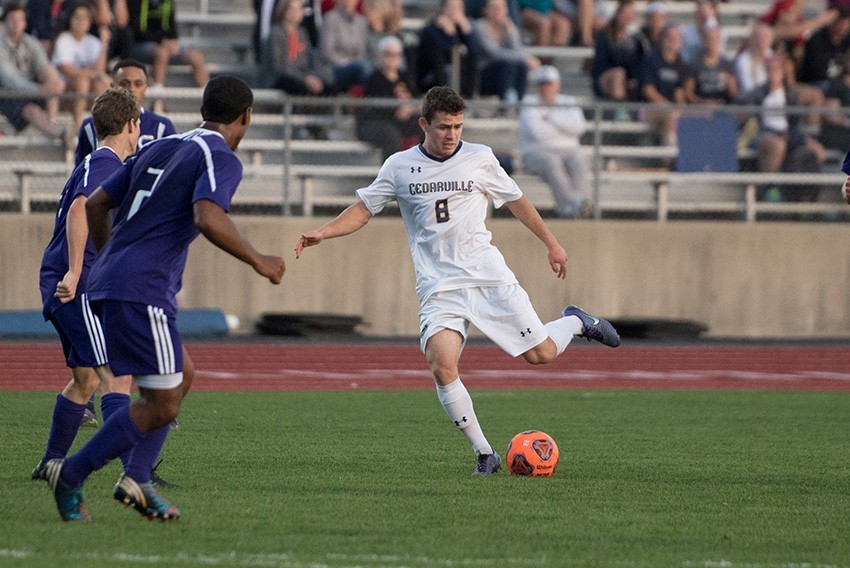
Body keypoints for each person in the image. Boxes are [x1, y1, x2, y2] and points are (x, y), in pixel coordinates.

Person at [294, 86, 620, 476]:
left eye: (458, 126)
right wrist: (323, 233)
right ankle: (485, 453)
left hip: (487, 276)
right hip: (438, 287)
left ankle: (577, 321)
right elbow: (364, 209)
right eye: (444, 127)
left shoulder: (480, 158)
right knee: (441, 362)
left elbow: (517, 201)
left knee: (542, 355)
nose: (452, 134)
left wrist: (552, 243)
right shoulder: (399, 166)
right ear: (423, 125)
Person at [40, 76, 286, 522]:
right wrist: (258, 260)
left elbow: (96, 205)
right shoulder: (219, 155)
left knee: (181, 375)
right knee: (161, 402)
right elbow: (208, 216)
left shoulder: (159, 146)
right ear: (246, 116)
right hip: (143, 287)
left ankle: (137, 478)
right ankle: (72, 473)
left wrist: (110, 256)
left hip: (118, 282)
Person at [32, 88, 177, 491]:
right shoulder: (106, 162)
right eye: (138, 128)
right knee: (117, 377)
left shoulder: (93, 160)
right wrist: (78, 271)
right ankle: (135, 473)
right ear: (132, 125)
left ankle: (51, 462)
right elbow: (81, 207)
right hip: (74, 285)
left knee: (86, 379)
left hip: (61, 279)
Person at [739, 53, 826, 202]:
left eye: (776, 69)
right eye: (770, 69)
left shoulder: (790, 93)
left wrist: (804, 139)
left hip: (789, 135)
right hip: (765, 135)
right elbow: (743, 113)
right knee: (778, 145)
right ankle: (769, 188)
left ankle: (809, 195)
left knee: (818, 152)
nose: (773, 72)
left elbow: (794, 122)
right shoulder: (758, 93)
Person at [519, 65, 590, 218]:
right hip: (536, 153)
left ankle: (579, 203)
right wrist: (565, 130)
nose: (545, 87)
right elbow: (536, 133)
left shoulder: (568, 101)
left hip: (568, 151)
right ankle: (568, 207)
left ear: (557, 84)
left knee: (579, 160)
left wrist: (551, 119)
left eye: (549, 83)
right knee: (552, 162)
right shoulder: (529, 102)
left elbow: (579, 128)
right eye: (542, 83)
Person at [75, 59, 176, 166]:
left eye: (138, 84)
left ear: (145, 88)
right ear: (113, 86)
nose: (131, 89)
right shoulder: (91, 125)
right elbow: (82, 169)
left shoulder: (162, 126)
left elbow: (172, 168)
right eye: (124, 83)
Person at [0, 0, 66, 141]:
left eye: (20, 19)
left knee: (51, 73)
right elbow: (9, 80)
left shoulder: (31, 42)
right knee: (30, 109)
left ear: (25, 22)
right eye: (12, 19)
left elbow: (43, 66)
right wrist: (38, 89)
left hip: (32, 88)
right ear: (5, 22)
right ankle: (59, 134)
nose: (16, 23)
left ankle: (53, 120)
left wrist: (52, 84)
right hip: (7, 94)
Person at [355, 35, 420, 160]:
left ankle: (425, 170)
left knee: (426, 126)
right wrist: (396, 111)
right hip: (375, 123)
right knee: (391, 135)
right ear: (380, 56)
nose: (393, 58)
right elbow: (374, 108)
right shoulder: (373, 79)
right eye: (389, 54)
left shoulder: (404, 77)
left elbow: (416, 97)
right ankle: (389, 176)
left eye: (397, 54)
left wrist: (410, 109)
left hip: (402, 120)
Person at [125, 0, 209, 90]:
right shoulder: (134, 2)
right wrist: (162, 41)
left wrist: (173, 41)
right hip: (139, 45)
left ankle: (207, 96)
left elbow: (172, 28)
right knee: (161, 54)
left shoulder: (168, 2)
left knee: (196, 57)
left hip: (163, 45)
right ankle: (158, 96)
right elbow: (134, 30)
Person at [51, 2, 109, 130]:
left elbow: (100, 70)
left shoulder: (93, 42)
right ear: (70, 19)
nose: (80, 21)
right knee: (82, 82)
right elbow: (67, 70)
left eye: (84, 18)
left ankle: (100, 126)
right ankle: (78, 127)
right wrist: (94, 74)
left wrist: (104, 44)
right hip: (64, 93)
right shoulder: (63, 39)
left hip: (86, 93)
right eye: (76, 17)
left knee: (100, 84)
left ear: (89, 22)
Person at [262, 0, 335, 95]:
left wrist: (314, 77)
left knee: (329, 85)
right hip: (281, 78)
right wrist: (305, 78)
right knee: (301, 87)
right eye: (292, 9)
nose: (296, 12)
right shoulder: (276, 33)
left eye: (299, 9)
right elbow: (280, 67)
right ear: (283, 11)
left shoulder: (302, 34)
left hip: (302, 75)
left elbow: (311, 61)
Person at [473, 0, 540, 102]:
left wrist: (511, 32)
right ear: (485, 10)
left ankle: (519, 103)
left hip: (507, 72)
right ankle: (505, 104)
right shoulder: (480, 26)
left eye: (501, 7)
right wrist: (525, 57)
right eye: (494, 7)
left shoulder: (508, 26)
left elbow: (517, 48)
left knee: (521, 66)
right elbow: (494, 53)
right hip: (485, 74)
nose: (498, 10)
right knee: (509, 64)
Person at [414, 0, 478, 98]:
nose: (455, 11)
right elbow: (447, 52)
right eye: (452, 7)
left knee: (470, 62)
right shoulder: (431, 29)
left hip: (458, 73)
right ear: (443, 8)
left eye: (459, 7)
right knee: (440, 60)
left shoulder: (461, 29)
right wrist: (451, 36)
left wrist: (467, 31)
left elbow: (474, 52)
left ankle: (468, 98)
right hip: (433, 75)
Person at [638, 23, 686, 147]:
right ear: (663, 38)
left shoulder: (679, 63)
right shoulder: (652, 58)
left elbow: (678, 92)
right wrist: (669, 106)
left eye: (677, 37)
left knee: (698, 114)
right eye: (670, 37)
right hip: (648, 108)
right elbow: (648, 90)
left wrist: (682, 108)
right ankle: (669, 158)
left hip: (669, 110)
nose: (674, 41)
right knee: (672, 115)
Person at [590, 0, 641, 104]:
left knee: (639, 80)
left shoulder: (635, 38)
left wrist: (632, 78)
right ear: (617, 15)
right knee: (619, 73)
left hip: (626, 77)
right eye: (624, 14)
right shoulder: (604, 35)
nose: (628, 17)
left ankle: (636, 113)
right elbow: (601, 62)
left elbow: (637, 62)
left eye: (630, 14)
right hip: (605, 77)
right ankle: (619, 111)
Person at [320, 0, 371, 92]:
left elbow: (362, 51)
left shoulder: (362, 22)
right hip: (334, 67)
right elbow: (327, 52)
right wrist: (347, 63)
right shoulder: (330, 19)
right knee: (364, 67)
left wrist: (354, 62)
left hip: (357, 65)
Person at [683, 24, 738, 104]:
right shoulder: (694, 64)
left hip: (723, 109)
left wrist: (731, 87)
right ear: (704, 40)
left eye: (716, 39)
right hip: (700, 110)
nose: (713, 42)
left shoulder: (727, 65)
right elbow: (688, 93)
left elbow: (734, 94)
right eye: (710, 39)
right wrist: (703, 102)